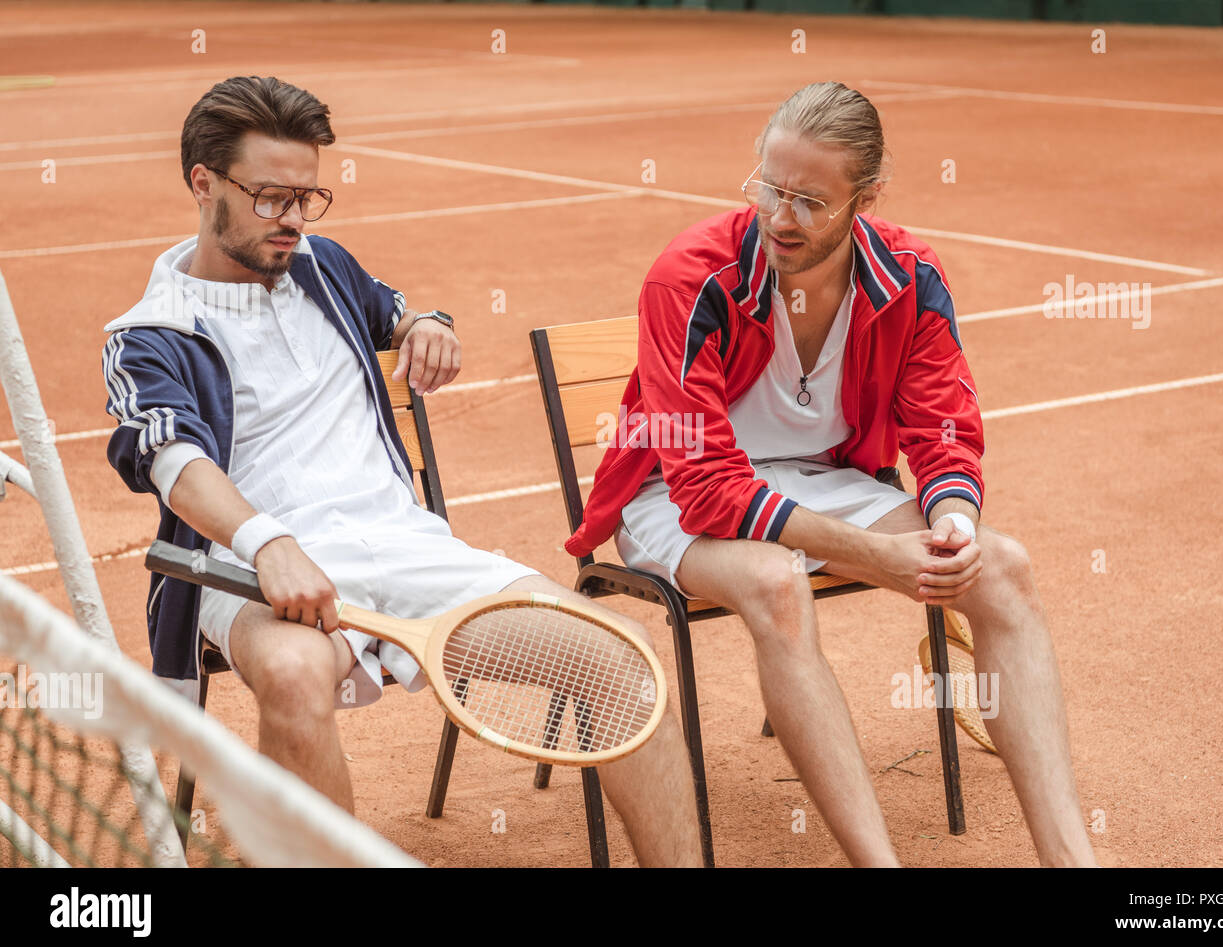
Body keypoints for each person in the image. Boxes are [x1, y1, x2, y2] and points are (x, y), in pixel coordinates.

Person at [102, 75, 702, 867]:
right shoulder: (147, 335)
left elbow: (398, 310)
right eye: (271, 197)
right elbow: (172, 461)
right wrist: (269, 542)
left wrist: (429, 326)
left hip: (407, 548)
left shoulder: (322, 265)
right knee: (291, 673)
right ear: (203, 182)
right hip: (249, 569)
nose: (291, 220)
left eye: (307, 198)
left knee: (620, 654)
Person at [566, 81, 1097, 867]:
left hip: (819, 480)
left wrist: (953, 520)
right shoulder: (688, 276)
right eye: (769, 190)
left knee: (1004, 570)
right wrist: (877, 551)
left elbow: (943, 426)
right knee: (778, 584)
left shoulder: (909, 275)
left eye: (810, 201)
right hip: (675, 497)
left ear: (866, 197)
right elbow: (707, 486)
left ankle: (1074, 862)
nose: (781, 218)